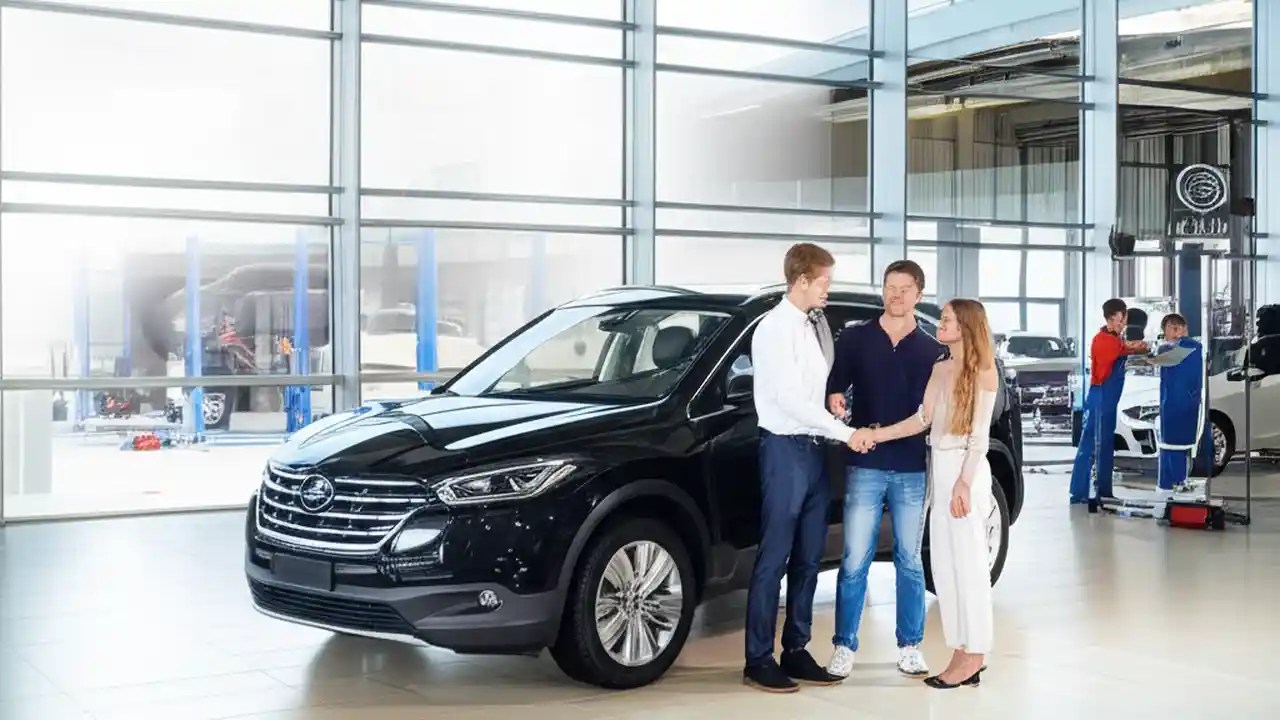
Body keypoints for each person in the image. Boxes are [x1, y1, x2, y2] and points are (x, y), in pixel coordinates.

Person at [849, 298, 999, 689]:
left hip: (965, 474)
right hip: (940, 470)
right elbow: (921, 420)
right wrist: (875, 434)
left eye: (947, 320)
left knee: (969, 566)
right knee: (946, 568)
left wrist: (964, 483)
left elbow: (979, 438)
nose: (940, 324)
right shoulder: (941, 368)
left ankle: (975, 652)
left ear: (966, 327)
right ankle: (960, 650)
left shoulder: (984, 372)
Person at [743, 242, 863, 693]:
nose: (829, 290)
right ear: (801, 281)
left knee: (810, 557)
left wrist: (831, 400)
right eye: (825, 282)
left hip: (814, 451)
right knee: (774, 557)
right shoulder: (773, 329)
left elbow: (810, 390)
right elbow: (787, 400)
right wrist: (844, 431)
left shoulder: (812, 325)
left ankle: (795, 648)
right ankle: (758, 658)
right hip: (784, 450)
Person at [824, 260, 943, 679]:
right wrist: (836, 398)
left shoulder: (933, 350)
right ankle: (843, 646)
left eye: (904, 288)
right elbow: (836, 383)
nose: (896, 295)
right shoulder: (856, 338)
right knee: (854, 558)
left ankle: (910, 645)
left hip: (911, 466)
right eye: (890, 287)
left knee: (909, 560)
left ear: (919, 293)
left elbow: (928, 415)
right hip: (865, 463)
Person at [1068, 298, 1150, 504]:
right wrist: (1137, 348)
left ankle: (1104, 491)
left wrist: (1134, 347)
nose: (1121, 325)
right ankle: (1079, 492)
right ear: (1109, 319)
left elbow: (1124, 348)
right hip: (1101, 396)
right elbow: (1122, 351)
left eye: (1123, 320)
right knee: (1090, 445)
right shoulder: (1103, 340)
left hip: (1110, 400)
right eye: (1117, 321)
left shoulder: (1116, 338)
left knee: (1105, 445)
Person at [1155, 313, 1204, 493]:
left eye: (1179, 328)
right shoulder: (1166, 350)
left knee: (1176, 444)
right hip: (1171, 404)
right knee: (1170, 445)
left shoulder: (1191, 347)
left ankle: (1176, 481)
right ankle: (1170, 482)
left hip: (1183, 404)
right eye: (1171, 329)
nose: (1176, 333)